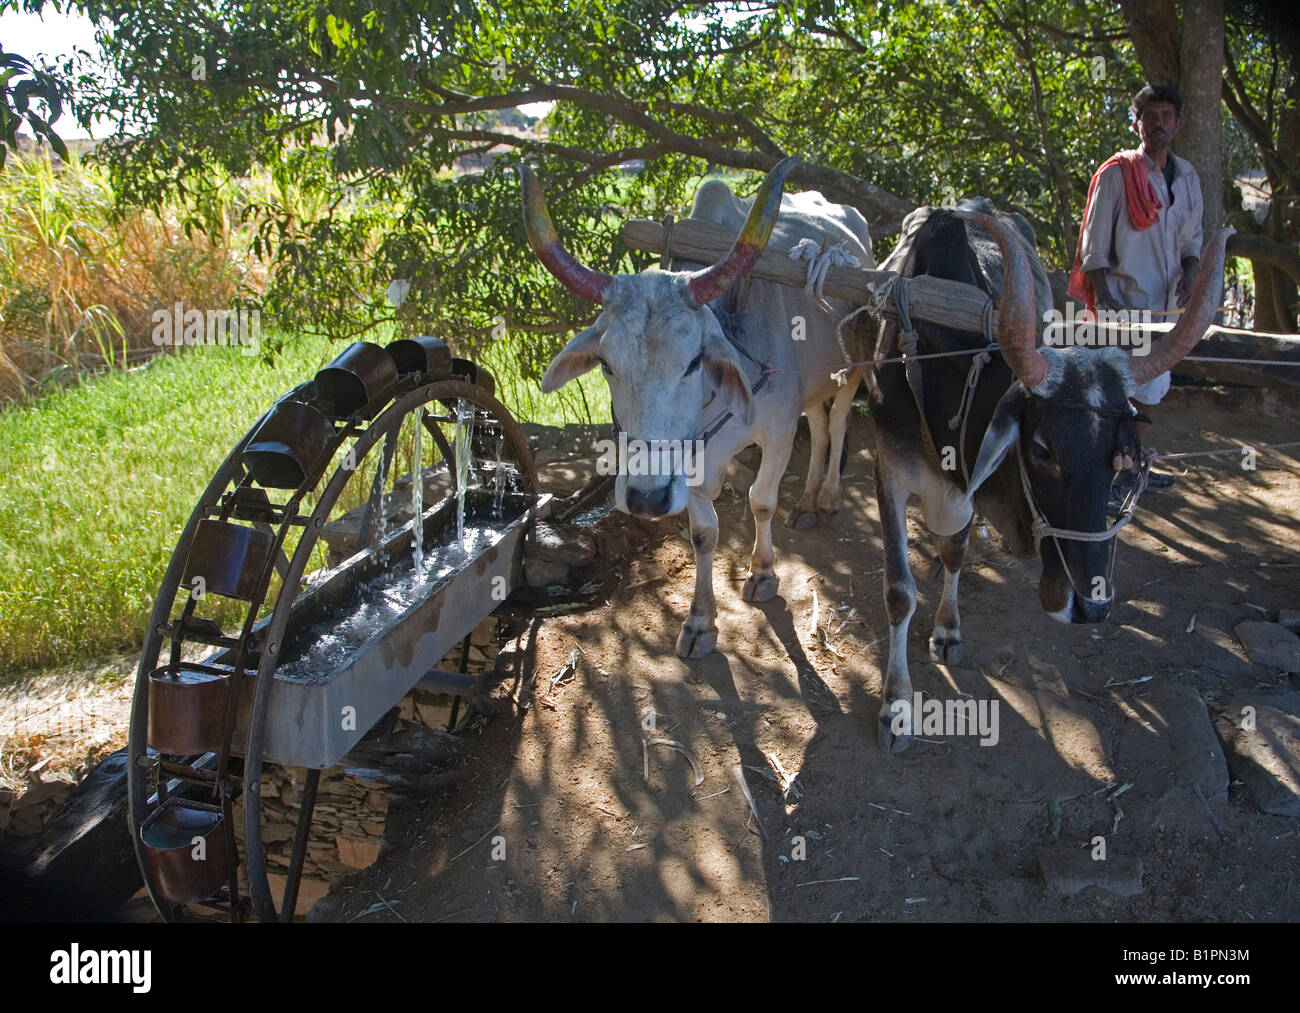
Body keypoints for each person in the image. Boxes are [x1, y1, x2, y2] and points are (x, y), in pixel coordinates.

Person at [1069, 83, 1204, 502]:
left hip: (1167, 309)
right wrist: (1106, 299)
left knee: (1151, 390)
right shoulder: (1117, 173)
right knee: (1117, 390)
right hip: (1123, 304)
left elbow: (1192, 240)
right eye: (1150, 116)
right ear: (1137, 124)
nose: (1158, 123)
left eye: (1166, 115)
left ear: (1177, 124)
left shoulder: (1187, 176)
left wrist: (1191, 270)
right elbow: (1093, 246)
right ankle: (1107, 476)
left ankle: (1134, 467)